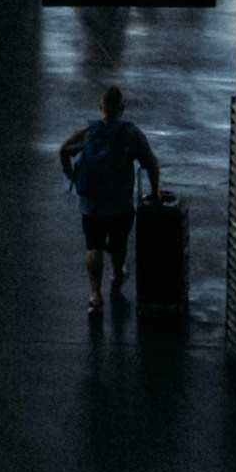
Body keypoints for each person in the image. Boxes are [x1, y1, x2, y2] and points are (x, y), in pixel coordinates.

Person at [58, 87, 161, 314]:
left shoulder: (89, 131)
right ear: (121, 109)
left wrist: (71, 176)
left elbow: (63, 150)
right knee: (118, 244)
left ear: (100, 107)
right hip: (119, 204)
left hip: (91, 203)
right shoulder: (131, 133)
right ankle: (117, 274)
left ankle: (95, 295)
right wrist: (155, 193)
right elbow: (151, 164)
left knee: (93, 246)